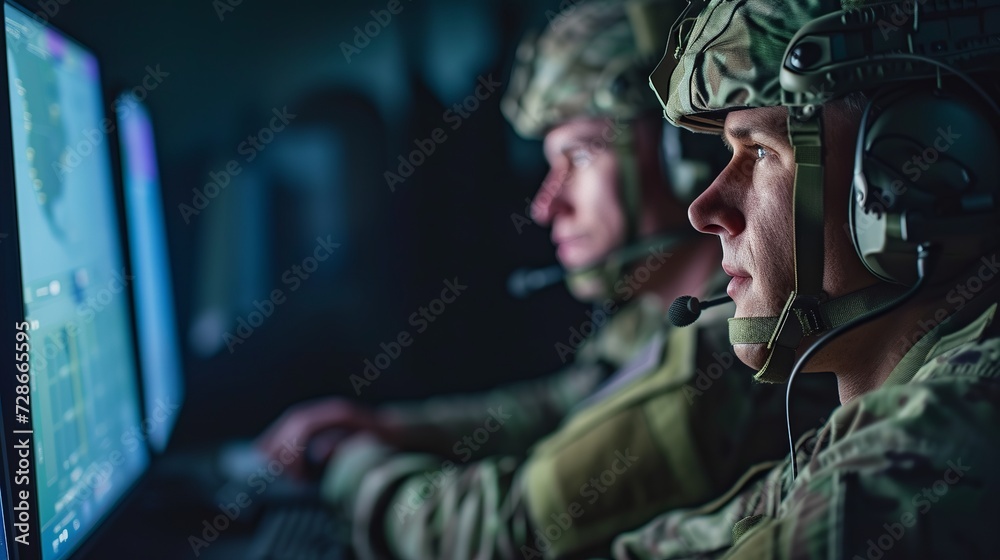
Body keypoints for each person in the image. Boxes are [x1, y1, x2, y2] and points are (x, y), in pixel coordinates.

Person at [258, 1, 838, 558]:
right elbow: (565, 402)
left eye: (580, 157)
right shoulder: (655, 316)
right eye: (549, 164)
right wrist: (392, 428)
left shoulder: (726, 355)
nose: (545, 205)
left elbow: (500, 532)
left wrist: (344, 464)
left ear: (677, 152)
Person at [611, 0, 1000, 557]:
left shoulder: (937, 455)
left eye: (763, 151)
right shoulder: (853, 439)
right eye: (730, 154)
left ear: (922, 169)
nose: (703, 209)